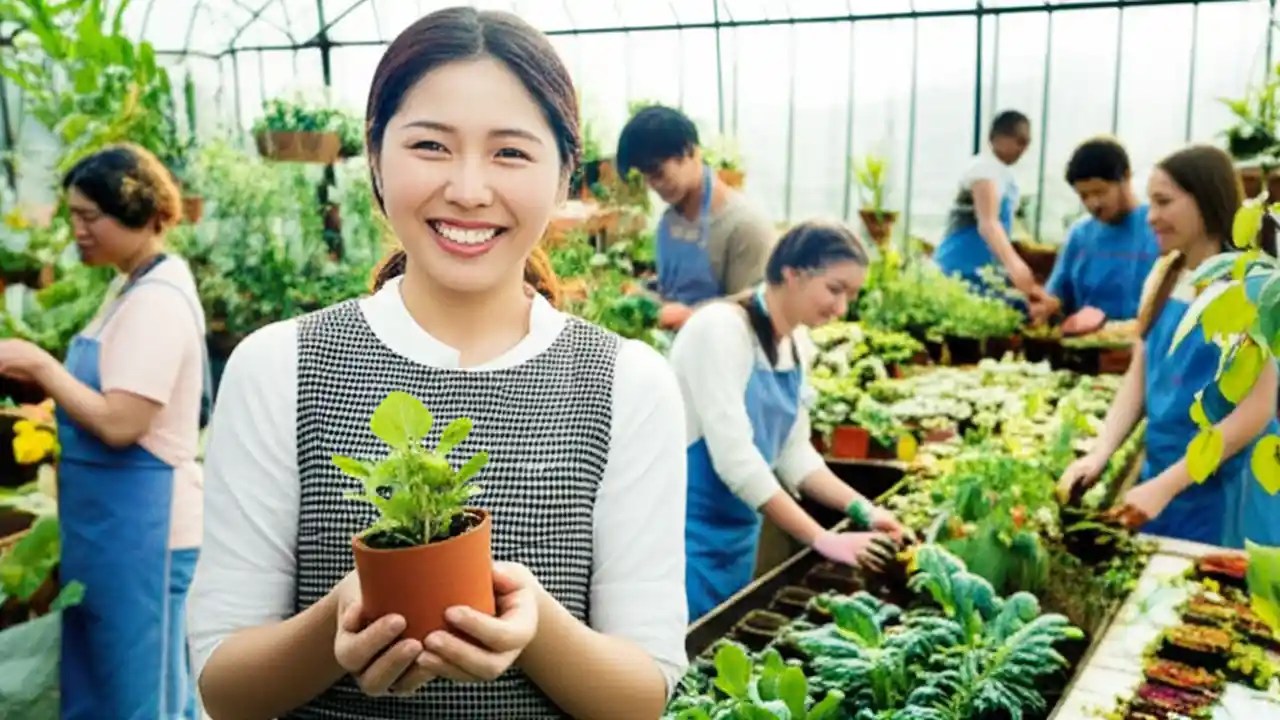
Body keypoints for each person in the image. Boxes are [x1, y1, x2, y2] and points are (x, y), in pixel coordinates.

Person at [186, 8, 688, 720]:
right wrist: (341, 623)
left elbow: (641, 695)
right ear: (376, 156)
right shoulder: (279, 367)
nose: (469, 189)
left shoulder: (627, 384)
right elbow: (223, 684)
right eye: (430, 145)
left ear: (564, 175)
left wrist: (532, 622)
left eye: (511, 153)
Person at [0, 144, 209, 719]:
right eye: (73, 215)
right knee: (106, 689)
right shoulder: (129, 285)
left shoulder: (158, 303)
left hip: (147, 534)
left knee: (142, 695)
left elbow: (122, 423)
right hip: (112, 533)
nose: (77, 230)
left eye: (91, 216)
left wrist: (41, 367)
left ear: (140, 213)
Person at [668, 220, 910, 620]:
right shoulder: (721, 330)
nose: (841, 308)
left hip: (736, 534)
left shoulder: (796, 345)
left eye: (851, 294)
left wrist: (864, 510)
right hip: (682, 534)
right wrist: (819, 539)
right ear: (792, 273)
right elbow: (737, 460)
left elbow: (795, 455)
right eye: (835, 289)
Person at [1058, 145, 1279, 548]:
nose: (1151, 215)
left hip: (1228, 490)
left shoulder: (1251, 289)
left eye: (1164, 202)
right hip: (1165, 475)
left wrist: (1166, 486)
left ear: (1206, 200)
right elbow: (1138, 379)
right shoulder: (1165, 276)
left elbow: (1257, 411)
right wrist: (1100, 454)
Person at [615, 105, 775, 330]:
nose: (653, 186)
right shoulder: (670, 220)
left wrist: (690, 316)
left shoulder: (745, 225)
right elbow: (670, 290)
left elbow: (758, 310)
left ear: (691, 152)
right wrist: (644, 295)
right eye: (646, 179)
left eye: (658, 174)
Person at [1033, 137, 1161, 325]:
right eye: (1084, 195)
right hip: (1087, 345)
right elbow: (1057, 295)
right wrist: (1047, 307)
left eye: (1100, 192)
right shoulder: (1080, 235)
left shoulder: (1157, 228)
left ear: (1126, 177)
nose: (1093, 203)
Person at [934, 110, 1048, 310]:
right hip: (958, 266)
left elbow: (1005, 227)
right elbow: (989, 223)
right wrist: (1015, 266)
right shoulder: (983, 169)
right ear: (995, 138)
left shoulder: (1006, 177)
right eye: (1019, 141)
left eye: (1027, 143)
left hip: (982, 270)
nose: (1023, 149)